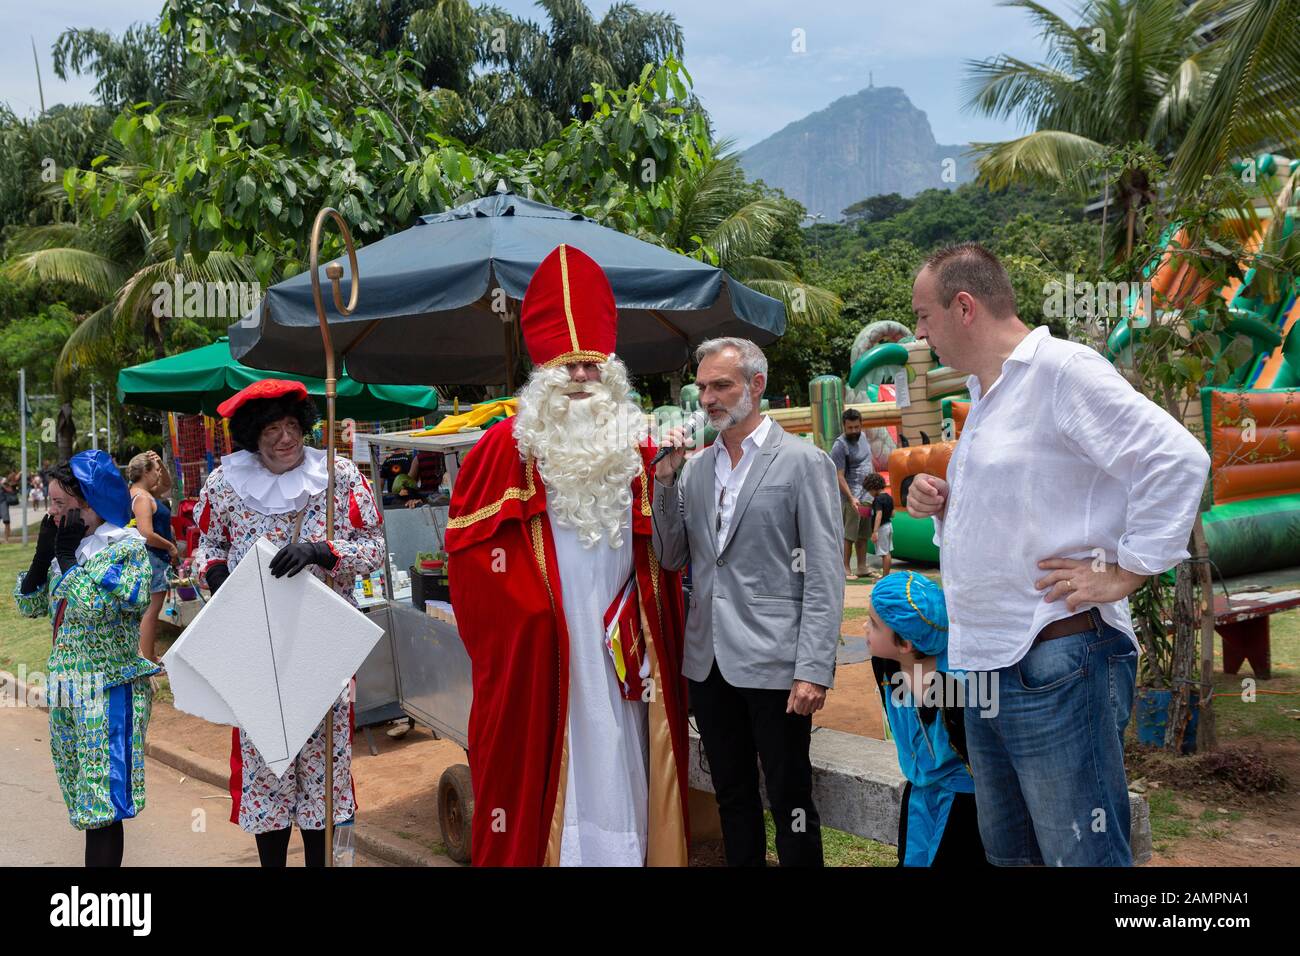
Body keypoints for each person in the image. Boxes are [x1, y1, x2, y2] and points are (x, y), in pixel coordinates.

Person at [907, 242, 1210, 866]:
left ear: (963, 307)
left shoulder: (1063, 371)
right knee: (1014, 858)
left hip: (1057, 657)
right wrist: (943, 503)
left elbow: (1177, 458)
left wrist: (1126, 571)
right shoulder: (988, 393)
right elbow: (1026, 508)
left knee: (1084, 857)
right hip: (991, 663)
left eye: (924, 316)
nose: (919, 333)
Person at [446, 244, 691, 867]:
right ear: (544, 373)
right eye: (569, 367)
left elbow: (666, 550)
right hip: (545, 648)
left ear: (610, 374)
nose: (582, 379)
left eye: (592, 368)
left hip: (623, 642)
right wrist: (532, 618)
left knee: (622, 749)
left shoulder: (638, 445)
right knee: (557, 758)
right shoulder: (503, 448)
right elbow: (473, 569)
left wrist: (643, 613)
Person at [653, 336, 844, 867]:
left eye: (722, 385)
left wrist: (813, 668)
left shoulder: (804, 462)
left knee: (790, 800)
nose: (709, 398)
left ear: (756, 386)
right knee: (732, 797)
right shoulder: (693, 469)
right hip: (708, 663)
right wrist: (664, 483)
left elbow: (827, 573)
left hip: (777, 665)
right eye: (703, 387)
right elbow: (671, 558)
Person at [191, 379, 385, 867]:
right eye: (273, 429)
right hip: (256, 650)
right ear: (254, 436)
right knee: (267, 773)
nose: (285, 438)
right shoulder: (224, 484)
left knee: (325, 776)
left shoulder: (340, 478)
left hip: (323, 649)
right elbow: (206, 549)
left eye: (293, 426)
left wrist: (324, 550)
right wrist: (218, 580)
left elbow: (377, 550)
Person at [13, 451, 157, 866]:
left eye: (60, 504)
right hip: (67, 690)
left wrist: (67, 561)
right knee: (82, 798)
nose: (52, 513)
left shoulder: (126, 550)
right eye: (51, 504)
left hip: (109, 691)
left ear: (90, 504)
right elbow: (30, 607)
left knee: (103, 805)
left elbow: (99, 608)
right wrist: (43, 562)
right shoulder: (69, 548)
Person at [866, 571, 987, 867]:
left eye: (873, 624)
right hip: (920, 787)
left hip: (963, 797)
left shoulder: (959, 685)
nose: (864, 628)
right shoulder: (885, 664)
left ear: (905, 643)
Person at [128, 451, 178, 663]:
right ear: (145, 472)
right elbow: (146, 534)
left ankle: (148, 655)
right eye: (156, 471)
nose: (159, 475)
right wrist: (170, 547)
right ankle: (147, 660)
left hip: (153, 557)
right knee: (151, 611)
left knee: (148, 610)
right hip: (153, 557)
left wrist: (161, 464)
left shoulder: (144, 492)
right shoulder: (142, 497)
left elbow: (167, 485)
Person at [830, 408, 874, 578]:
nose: (854, 431)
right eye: (850, 428)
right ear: (844, 426)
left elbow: (869, 462)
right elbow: (838, 476)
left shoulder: (863, 438)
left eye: (857, 427)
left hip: (866, 496)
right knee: (849, 534)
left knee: (863, 533)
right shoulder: (839, 446)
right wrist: (850, 497)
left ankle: (862, 566)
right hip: (851, 497)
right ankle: (845, 568)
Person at [862, 471, 894, 578]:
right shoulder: (889, 497)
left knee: (884, 553)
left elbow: (879, 514)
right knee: (887, 552)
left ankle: (885, 578)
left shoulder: (878, 499)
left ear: (873, 488)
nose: (869, 493)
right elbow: (893, 514)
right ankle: (886, 576)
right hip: (889, 525)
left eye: (869, 491)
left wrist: (875, 531)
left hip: (882, 528)